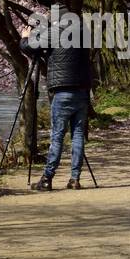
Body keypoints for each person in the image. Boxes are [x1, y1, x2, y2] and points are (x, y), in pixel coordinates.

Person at [20, 18, 92, 191]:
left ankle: (47, 178)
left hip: (62, 92)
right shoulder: (84, 33)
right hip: (82, 91)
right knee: (78, 135)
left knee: (57, 136)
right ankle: (75, 179)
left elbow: (29, 48)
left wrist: (25, 37)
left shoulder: (54, 33)